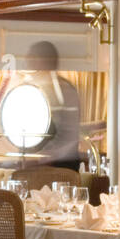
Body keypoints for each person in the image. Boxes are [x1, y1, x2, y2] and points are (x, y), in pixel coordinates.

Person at [25, 40, 82, 173]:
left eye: (32, 56)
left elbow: (70, 135)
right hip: (40, 163)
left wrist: (48, 156)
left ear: (43, 60)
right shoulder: (35, 87)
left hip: (63, 167)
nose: (27, 60)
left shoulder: (65, 89)